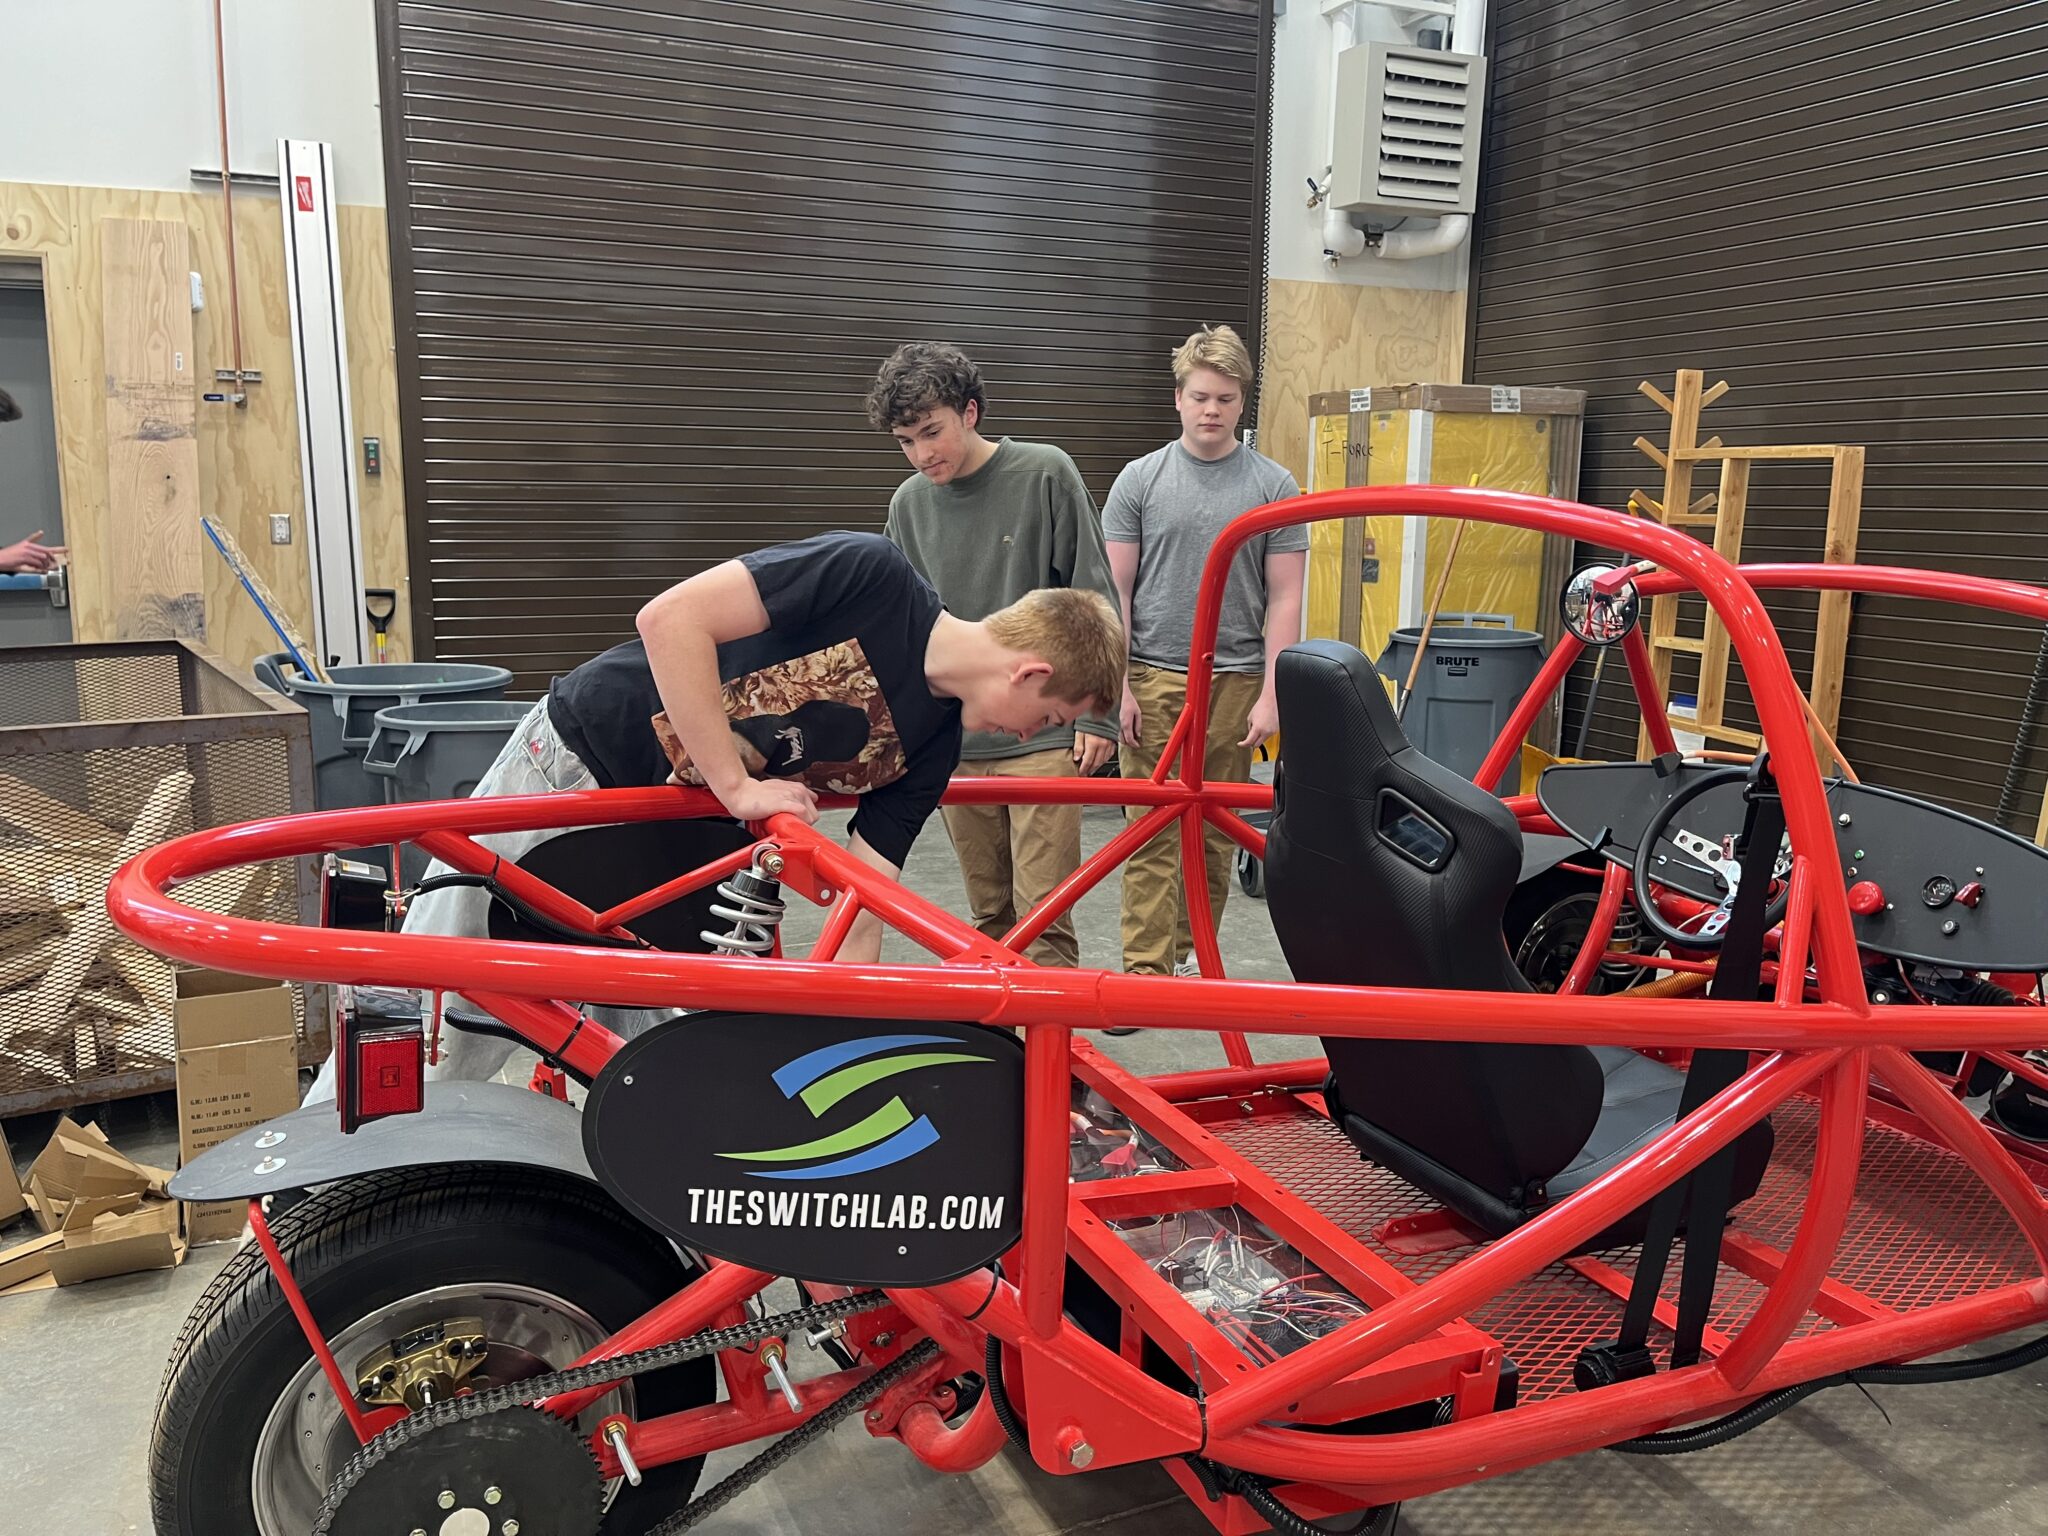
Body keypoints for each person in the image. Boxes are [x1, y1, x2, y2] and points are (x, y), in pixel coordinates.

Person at [308, 529, 1124, 1101]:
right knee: (450, 993)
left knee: (652, 1064)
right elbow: (670, 620)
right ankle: (312, 1199)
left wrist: (842, 1042)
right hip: (582, 759)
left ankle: (628, 1267)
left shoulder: (934, 747)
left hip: (675, 846)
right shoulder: (873, 578)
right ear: (1030, 672)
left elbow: (862, 899)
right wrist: (737, 786)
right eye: (1052, 718)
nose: (1034, 738)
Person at [871, 341, 1120, 967]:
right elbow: (898, 629)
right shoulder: (907, 505)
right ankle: (1008, 1058)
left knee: (1046, 917)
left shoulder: (1045, 474)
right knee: (989, 920)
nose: (922, 454)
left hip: (1040, 737)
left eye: (933, 432)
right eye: (906, 441)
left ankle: (1052, 1060)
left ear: (971, 412)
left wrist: (1098, 715)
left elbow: (1095, 596)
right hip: (955, 745)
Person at [1104, 324, 1306, 978]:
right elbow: (1117, 592)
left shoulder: (1275, 488)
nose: (1211, 410)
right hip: (1153, 676)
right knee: (1151, 828)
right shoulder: (1140, 480)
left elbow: (1285, 597)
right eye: (1200, 397)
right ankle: (1144, 970)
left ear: (1242, 403)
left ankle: (1193, 955)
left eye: (1224, 398)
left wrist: (1275, 692)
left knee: (1213, 831)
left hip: (1237, 680)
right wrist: (1120, 684)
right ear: (1178, 399)